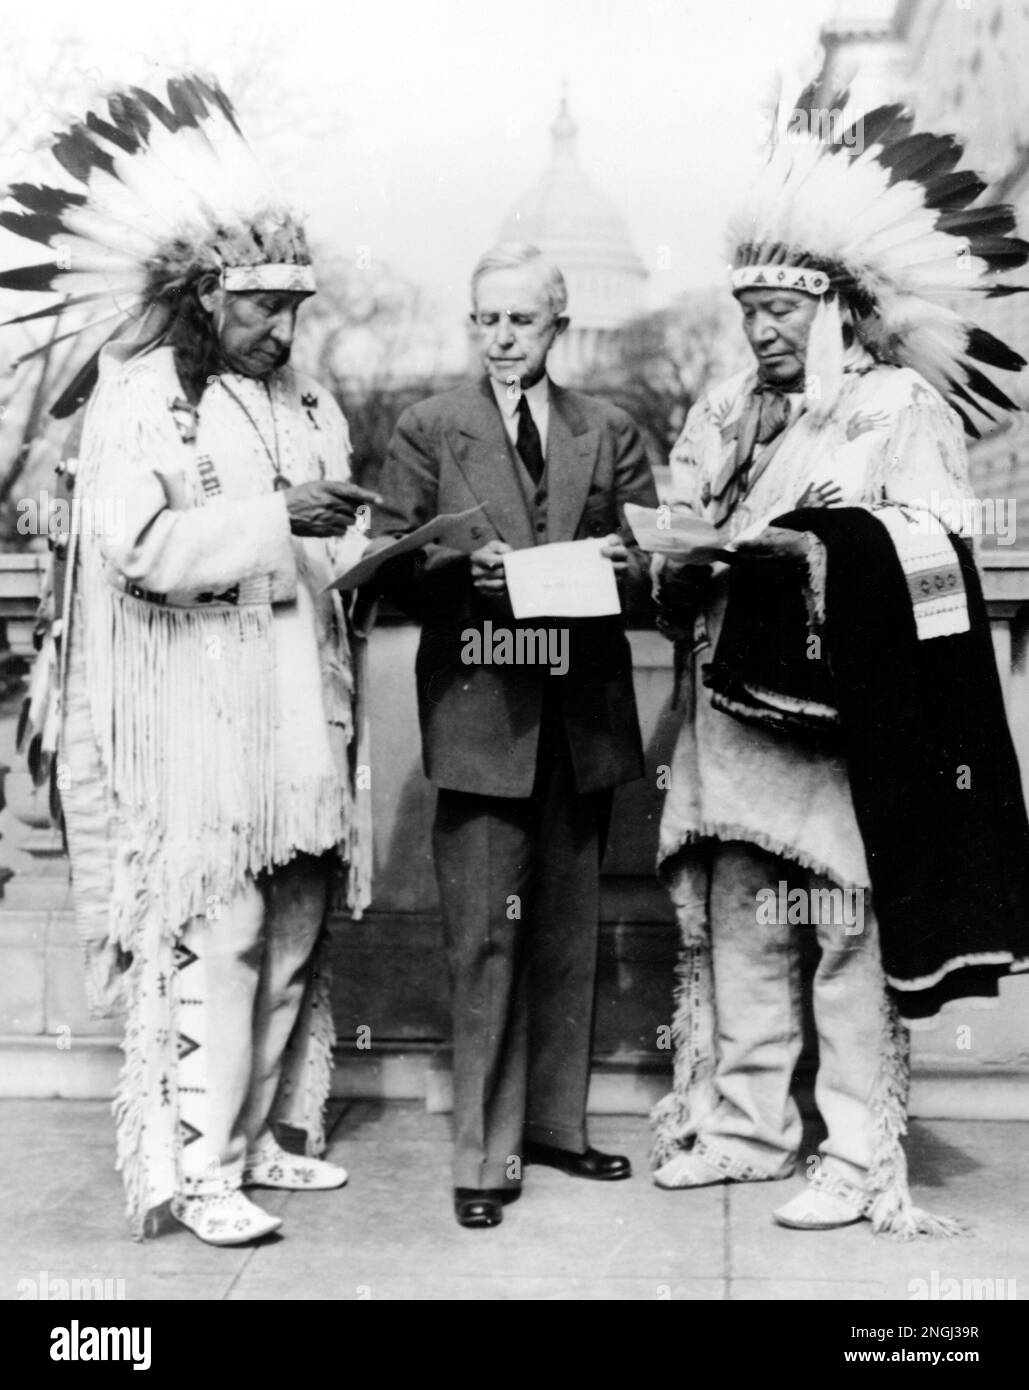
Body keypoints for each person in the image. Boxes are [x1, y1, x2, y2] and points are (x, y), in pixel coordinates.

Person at [3, 75, 377, 1245]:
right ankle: (200, 1165)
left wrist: (363, 545)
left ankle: (261, 1135)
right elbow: (135, 549)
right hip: (197, 717)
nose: (285, 329)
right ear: (209, 295)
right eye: (265, 307)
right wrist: (283, 519)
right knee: (223, 933)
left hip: (298, 702)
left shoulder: (307, 396)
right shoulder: (137, 399)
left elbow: (327, 531)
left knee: (299, 924)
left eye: (295, 308)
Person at [649, 84, 1029, 1235]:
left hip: (838, 726)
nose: (760, 332)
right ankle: (747, 1129)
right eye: (748, 311)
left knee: (842, 932)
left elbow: (940, 554)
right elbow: (675, 525)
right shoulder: (723, 407)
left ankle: (857, 1149)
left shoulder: (896, 408)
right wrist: (685, 552)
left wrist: (821, 549)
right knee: (743, 924)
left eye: (780, 313)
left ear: (835, 311)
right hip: (726, 718)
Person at [372, 242, 658, 1227]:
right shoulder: (425, 427)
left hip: (580, 718)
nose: (501, 338)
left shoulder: (608, 428)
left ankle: (554, 1127)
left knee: (572, 934)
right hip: (484, 714)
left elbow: (650, 570)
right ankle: (482, 1159)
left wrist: (616, 567)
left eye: (521, 321)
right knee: (486, 939)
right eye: (486, 319)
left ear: (557, 324)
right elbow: (393, 567)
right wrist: (459, 572)